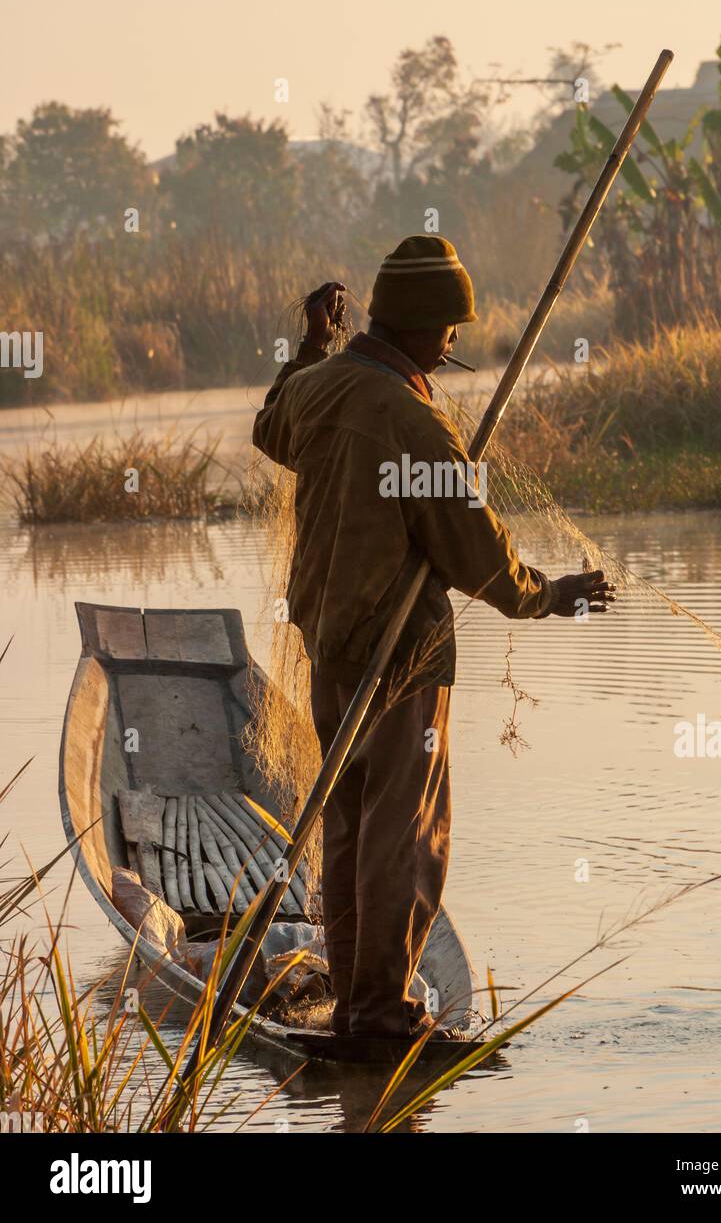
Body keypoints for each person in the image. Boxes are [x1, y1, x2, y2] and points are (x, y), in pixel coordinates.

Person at [252, 233, 614, 1042]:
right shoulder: (413, 420)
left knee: (348, 828)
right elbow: (480, 558)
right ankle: (380, 1012)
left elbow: (272, 428)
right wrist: (553, 595)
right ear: (425, 330)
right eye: (452, 331)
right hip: (402, 663)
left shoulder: (320, 387)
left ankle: (354, 999)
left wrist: (311, 346)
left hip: (332, 655)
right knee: (403, 838)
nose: (454, 345)